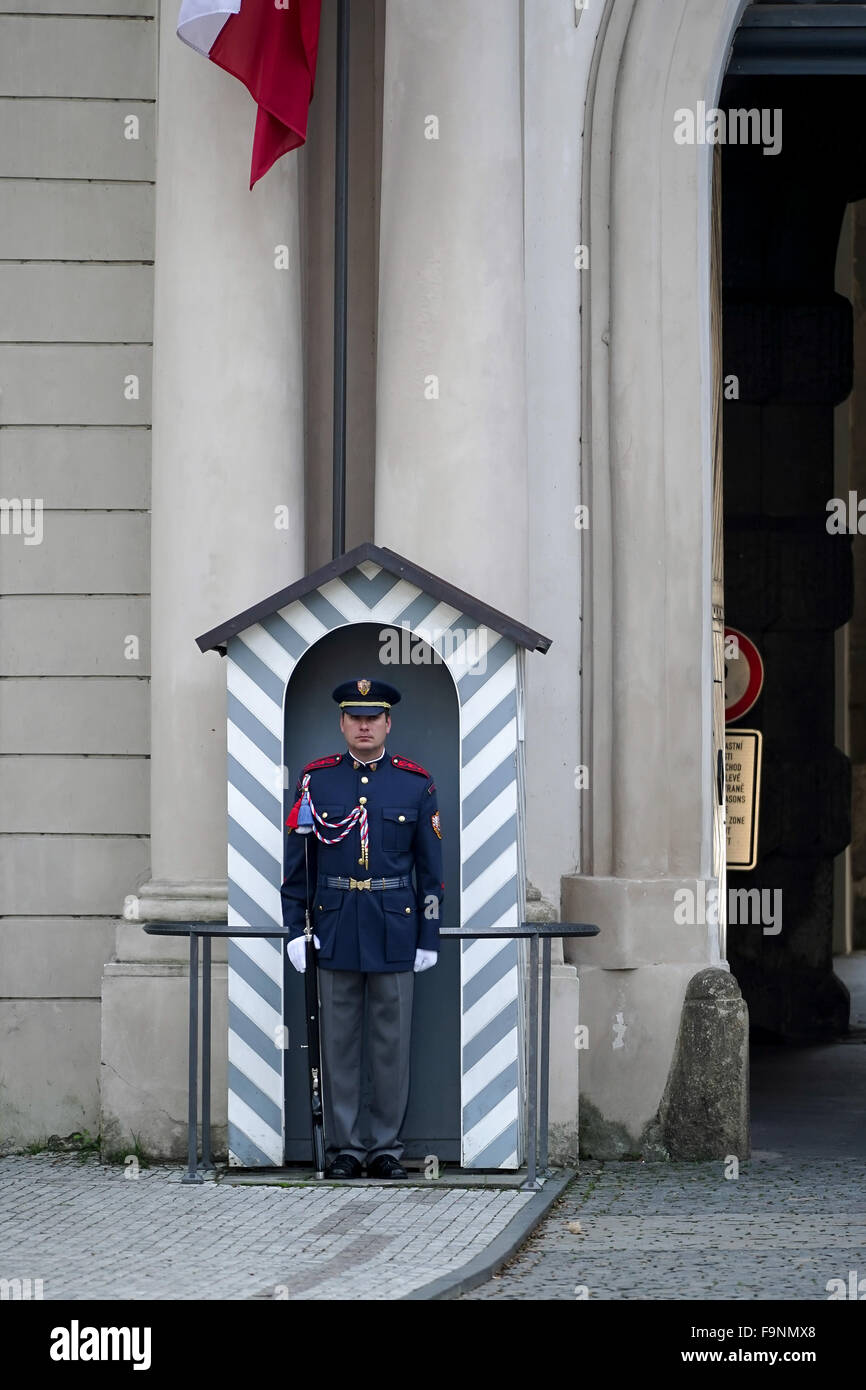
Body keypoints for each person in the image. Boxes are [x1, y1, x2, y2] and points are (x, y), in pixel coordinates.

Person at [280, 677, 444, 1179]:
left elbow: (431, 869)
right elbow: (297, 866)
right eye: (356, 717)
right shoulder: (316, 781)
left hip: (396, 926)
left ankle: (387, 1149)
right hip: (334, 925)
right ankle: (346, 1148)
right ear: (342, 723)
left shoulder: (416, 783)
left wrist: (429, 936)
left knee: (391, 1045)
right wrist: (294, 929)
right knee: (339, 1043)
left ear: (389, 722)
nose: (365, 725)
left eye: (374, 717)